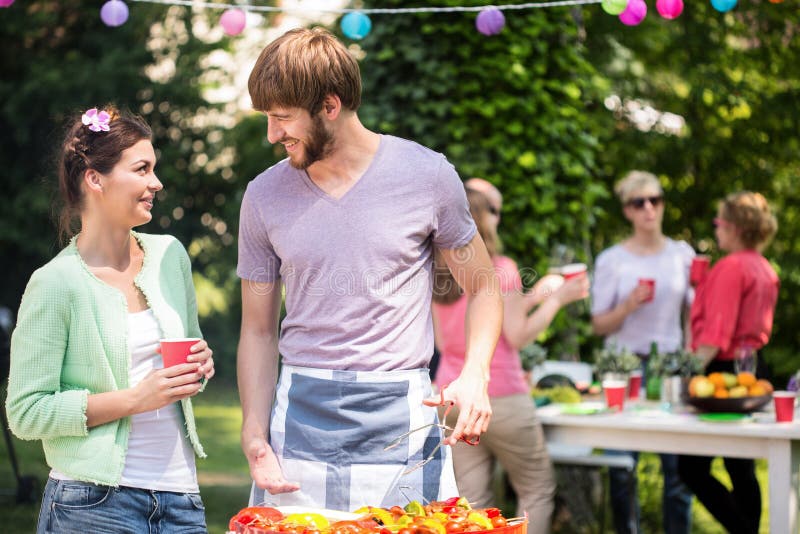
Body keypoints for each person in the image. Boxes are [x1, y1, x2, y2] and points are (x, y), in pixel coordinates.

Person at [237, 28, 503, 511]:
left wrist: (476, 373)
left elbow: (484, 286)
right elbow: (257, 331)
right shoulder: (262, 196)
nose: (272, 135)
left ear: (330, 106)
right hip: (300, 413)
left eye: (281, 119)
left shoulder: (428, 176)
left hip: (402, 413)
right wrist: (254, 432)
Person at [4, 106, 216, 533]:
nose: (156, 183)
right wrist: (136, 399)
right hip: (92, 502)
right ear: (95, 178)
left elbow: (186, 362)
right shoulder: (55, 283)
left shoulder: (170, 256)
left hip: (181, 500)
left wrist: (201, 367)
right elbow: (25, 412)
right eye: (142, 169)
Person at [432, 179, 589, 534]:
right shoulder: (501, 268)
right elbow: (517, 337)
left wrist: (530, 298)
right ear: (482, 220)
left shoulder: (439, 270)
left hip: (452, 396)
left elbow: (445, 339)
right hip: (500, 396)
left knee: (472, 502)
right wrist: (557, 300)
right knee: (536, 488)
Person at [591, 171, 694, 534]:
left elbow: (694, 316)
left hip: (670, 365)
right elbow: (598, 325)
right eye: (639, 202)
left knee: (678, 471)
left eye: (656, 199)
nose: (649, 208)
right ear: (627, 211)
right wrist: (628, 306)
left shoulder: (682, 254)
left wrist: (694, 360)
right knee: (623, 467)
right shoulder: (612, 260)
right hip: (624, 366)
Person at [678, 191, 779, 534]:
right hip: (752, 370)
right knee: (741, 465)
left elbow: (714, 337)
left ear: (734, 228)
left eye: (718, 223)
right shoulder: (764, 267)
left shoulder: (731, 266)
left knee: (690, 468)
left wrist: (685, 371)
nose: (716, 230)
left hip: (721, 375)